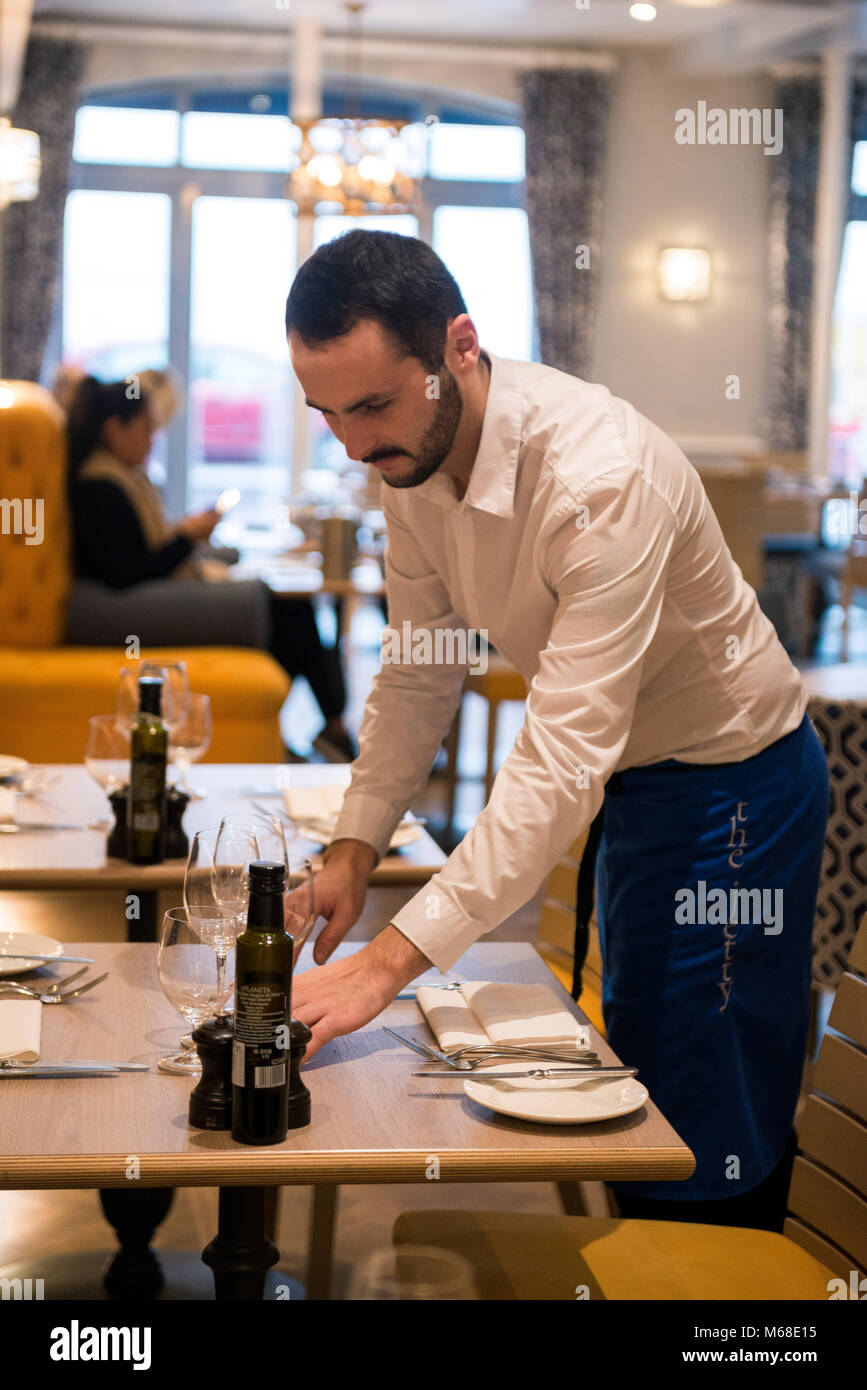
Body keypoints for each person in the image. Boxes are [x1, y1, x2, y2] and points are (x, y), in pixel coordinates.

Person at [286, 230, 829, 1231]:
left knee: (701, 1089)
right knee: (647, 1044)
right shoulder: (407, 465)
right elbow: (418, 669)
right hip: (642, 771)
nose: (354, 447)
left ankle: (735, 1311)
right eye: (327, 413)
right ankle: (657, 1259)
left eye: (372, 406)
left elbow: (560, 760)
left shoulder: (597, 477)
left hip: (737, 777)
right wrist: (357, 845)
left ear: (459, 346)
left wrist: (385, 962)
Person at [65, 373, 355, 761]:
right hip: (125, 606)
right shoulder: (100, 486)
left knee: (286, 604)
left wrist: (190, 536)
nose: (152, 441)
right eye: (146, 431)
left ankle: (292, 732)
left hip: (143, 593)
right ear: (115, 429)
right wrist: (186, 537)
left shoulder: (124, 478)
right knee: (285, 605)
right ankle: (332, 728)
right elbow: (128, 571)